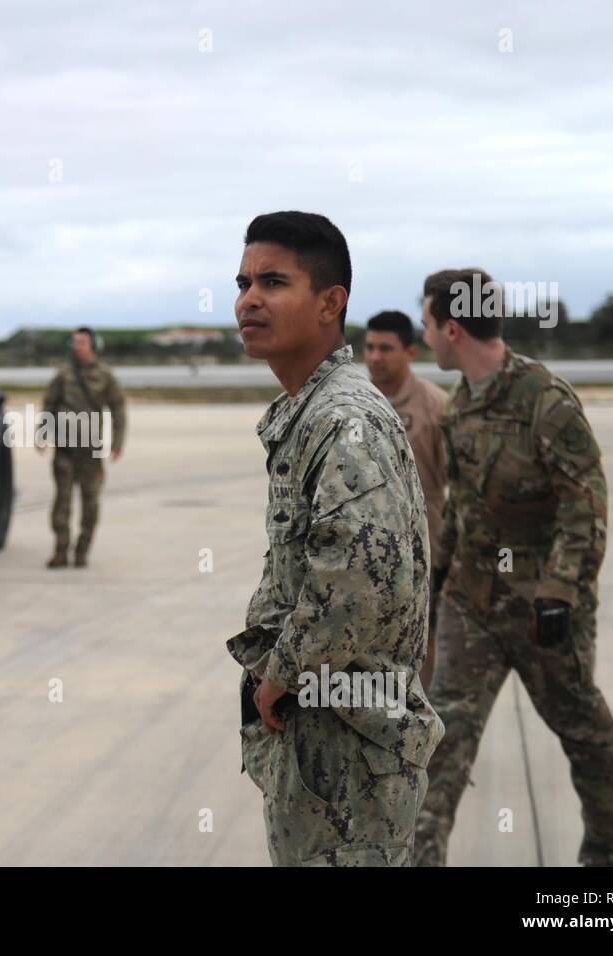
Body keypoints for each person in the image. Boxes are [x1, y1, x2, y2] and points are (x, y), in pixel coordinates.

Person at [226, 211, 443, 866]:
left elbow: (354, 583)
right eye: (242, 282)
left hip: (346, 746)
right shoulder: (315, 411)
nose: (249, 299)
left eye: (272, 281)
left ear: (330, 303)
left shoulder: (343, 417)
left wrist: (282, 675)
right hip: (331, 732)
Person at [413, 268, 613, 867]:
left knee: (585, 733)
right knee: (444, 736)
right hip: (473, 602)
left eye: (427, 324)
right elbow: (462, 507)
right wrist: (439, 578)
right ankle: (417, 858)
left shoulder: (545, 401)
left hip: (545, 609)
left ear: (453, 327)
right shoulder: (459, 405)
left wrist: (561, 591)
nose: (424, 337)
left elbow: (585, 504)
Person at [365, 310, 450, 689]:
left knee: (421, 644)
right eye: (369, 347)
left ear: (410, 351)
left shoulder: (436, 408)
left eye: (386, 348)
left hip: (422, 548)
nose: (376, 357)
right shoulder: (354, 404)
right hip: (361, 550)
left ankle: (422, 727)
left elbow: (461, 485)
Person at [39, 327, 125, 568]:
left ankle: (82, 550)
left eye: (82, 342)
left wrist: (117, 443)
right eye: (74, 342)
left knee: (90, 503)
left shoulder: (104, 375)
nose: (77, 346)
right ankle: (60, 549)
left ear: (93, 345)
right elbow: (49, 404)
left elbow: (118, 409)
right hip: (65, 448)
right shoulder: (63, 374)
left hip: (91, 450)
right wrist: (42, 433)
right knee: (62, 502)